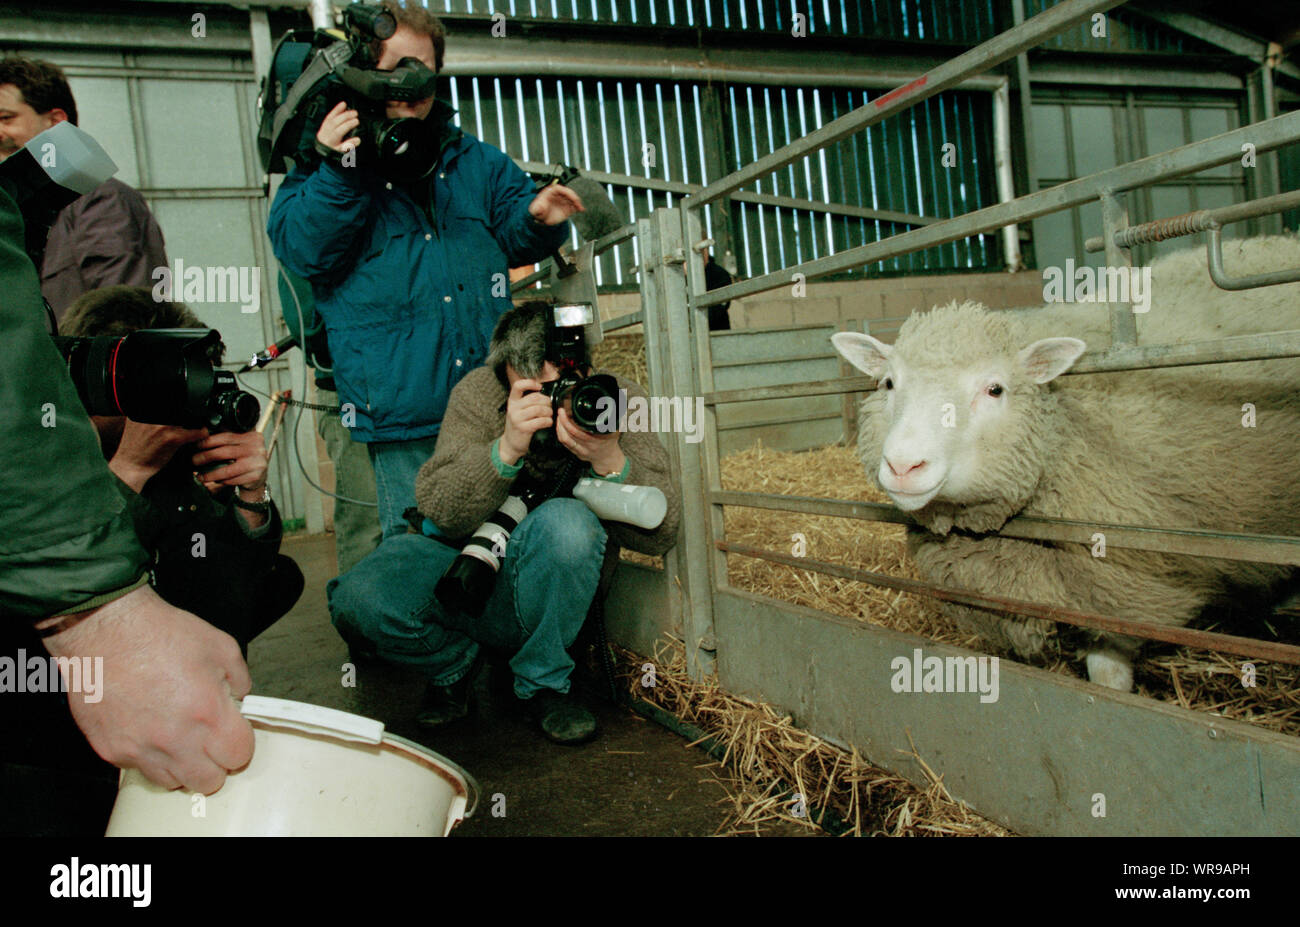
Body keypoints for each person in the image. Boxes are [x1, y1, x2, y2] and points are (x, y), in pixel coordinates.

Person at [267, 0, 583, 541]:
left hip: (490, 397)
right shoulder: (325, 171)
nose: (410, 89)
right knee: (418, 548)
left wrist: (537, 219)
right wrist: (341, 168)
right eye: (395, 73)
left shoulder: (472, 160)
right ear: (364, 75)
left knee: (499, 536)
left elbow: (510, 230)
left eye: (424, 75)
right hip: (402, 409)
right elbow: (304, 250)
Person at [0, 178, 252, 836]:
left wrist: (249, 503)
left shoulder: (182, 470)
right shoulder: (37, 477)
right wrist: (129, 470)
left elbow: (233, 606)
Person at [328, 301, 680, 744]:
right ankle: (453, 665)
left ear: (586, 369)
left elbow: (663, 531)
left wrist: (611, 460)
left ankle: (543, 683)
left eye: (561, 388)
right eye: (534, 392)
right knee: (358, 597)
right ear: (506, 374)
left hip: (543, 583)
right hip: (464, 566)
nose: (553, 404)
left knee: (569, 524)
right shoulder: (478, 392)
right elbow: (438, 506)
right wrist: (506, 450)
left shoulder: (614, 399)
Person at [61, 285, 304, 653]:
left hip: (176, 655)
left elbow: (239, 580)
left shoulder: (179, 454)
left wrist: (254, 494)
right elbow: (64, 584)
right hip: (73, 671)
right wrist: (130, 470)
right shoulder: (43, 451)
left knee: (281, 577)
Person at [0, 56, 168, 324]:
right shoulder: (15, 210)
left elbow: (120, 320)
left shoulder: (103, 201)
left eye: (5, 118)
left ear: (55, 122)